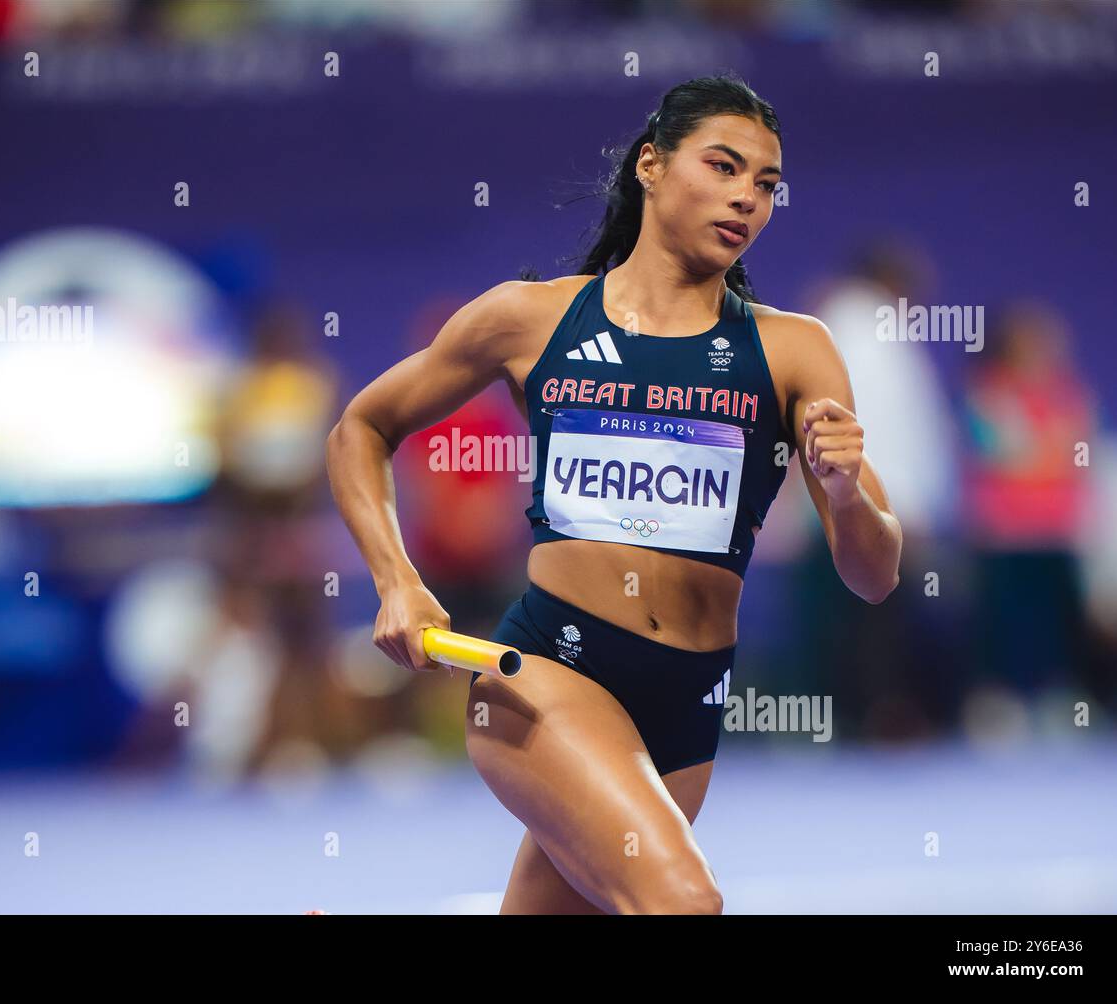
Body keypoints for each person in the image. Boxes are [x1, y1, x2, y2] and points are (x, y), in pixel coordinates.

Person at [326, 76, 902, 915]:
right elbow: (360, 429)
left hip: (688, 699)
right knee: (680, 901)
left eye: (768, 185)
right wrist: (395, 579)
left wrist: (847, 495)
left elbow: (876, 575)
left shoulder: (794, 350)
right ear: (651, 166)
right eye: (724, 166)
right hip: (546, 672)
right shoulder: (529, 320)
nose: (748, 196)